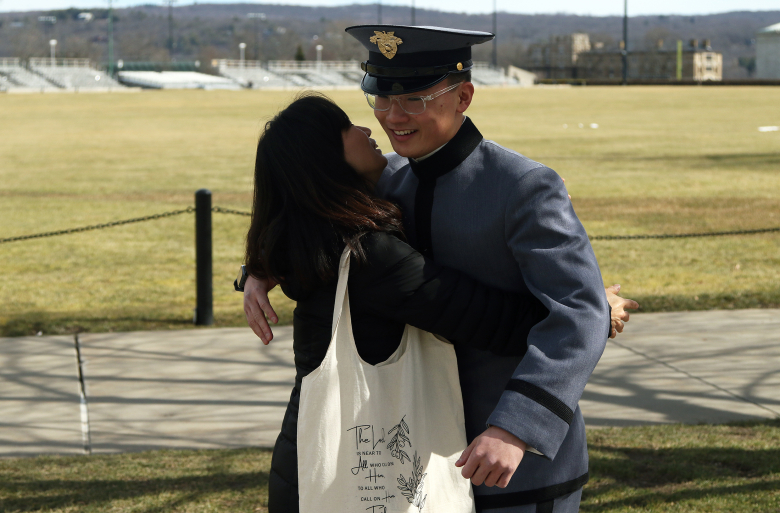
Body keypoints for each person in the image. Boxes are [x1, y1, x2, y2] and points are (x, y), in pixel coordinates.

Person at [245, 26, 640, 512]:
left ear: (464, 96)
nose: (392, 117)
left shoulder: (523, 187)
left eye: (412, 99)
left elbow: (576, 315)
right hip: (416, 469)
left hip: (512, 465)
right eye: (379, 97)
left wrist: (516, 426)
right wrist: (260, 270)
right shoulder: (383, 179)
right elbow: (304, 209)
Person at [247, 92, 564, 512]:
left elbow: (272, 238)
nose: (365, 130)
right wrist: (582, 308)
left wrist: (253, 272)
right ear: (327, 158)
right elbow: (486, 319)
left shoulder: (302, 239)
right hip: (359, 478)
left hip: (308, 467)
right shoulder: (367, 257)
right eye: (347, 129)